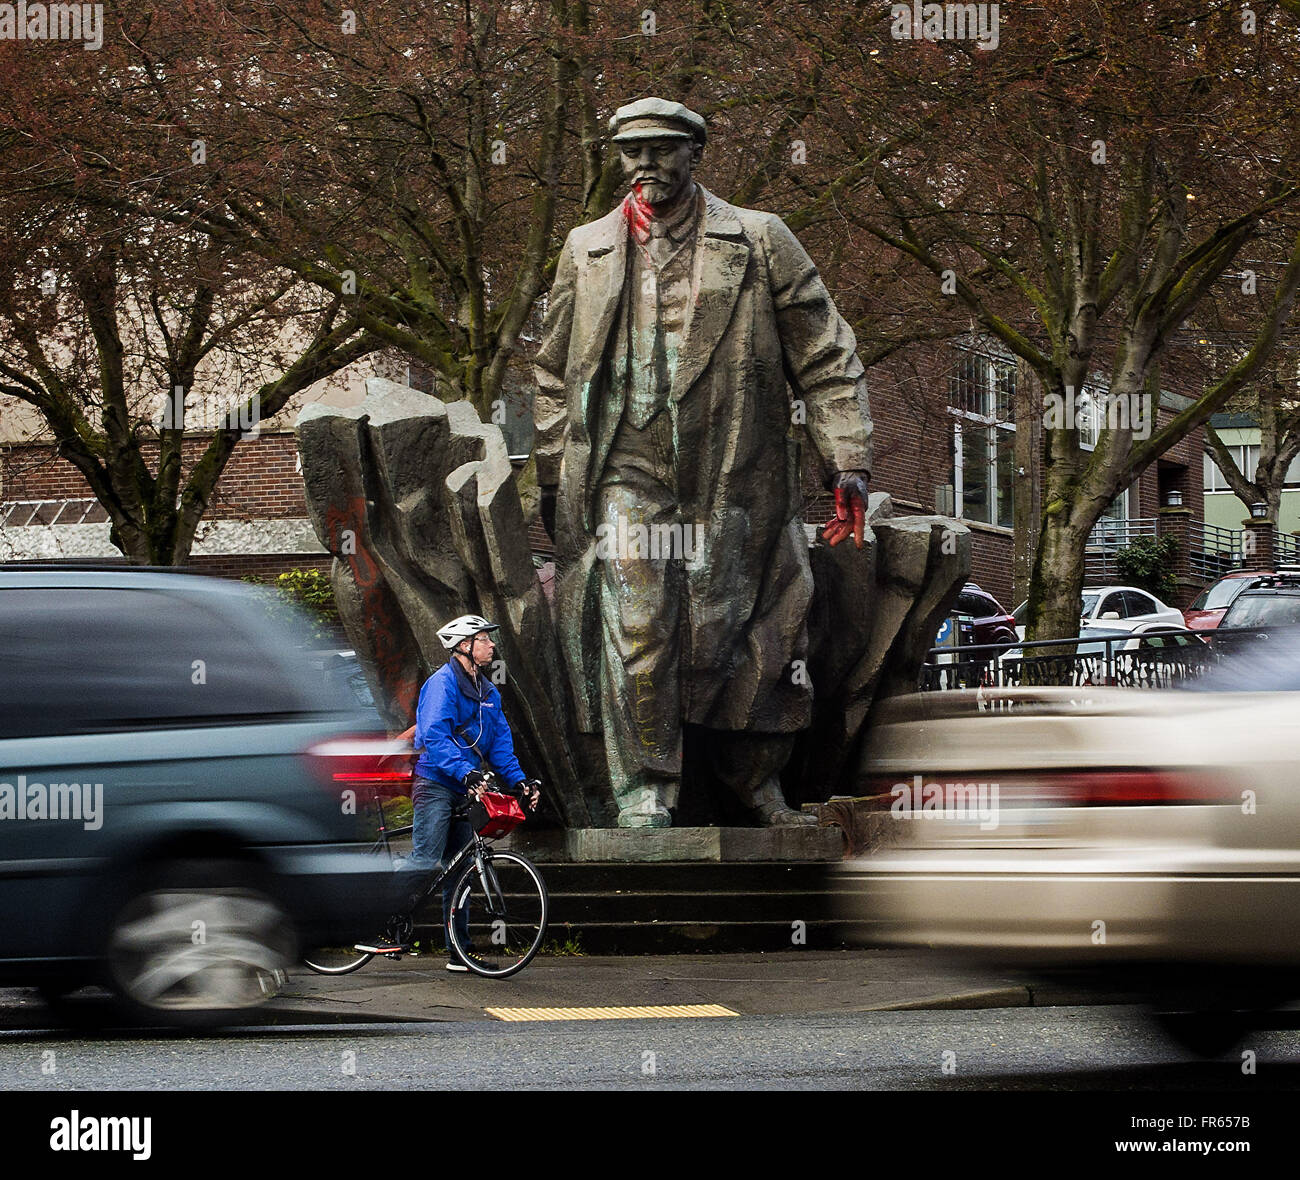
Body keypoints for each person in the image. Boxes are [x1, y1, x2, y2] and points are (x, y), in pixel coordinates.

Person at [533, 96, 872, 828]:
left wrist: (847, 457)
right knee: (640, 621)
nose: (646, 165)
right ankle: (645, 791)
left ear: (696, 153)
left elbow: (825, 353)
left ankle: (756, 780)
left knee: (752, 625)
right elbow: (555, 370)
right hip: (627, 466)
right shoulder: (586, 248)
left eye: (661, 149)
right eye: (632, 152)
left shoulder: (758, 239)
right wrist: (557, 469)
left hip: (734, 469)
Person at [360, 613, 539, 972]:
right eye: (485, 639)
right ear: (464, 646)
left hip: (466, 787)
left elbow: (501, 747)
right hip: (436, 783)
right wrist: (466, 771)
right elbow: (434, 738)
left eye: (489, 639)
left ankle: (458, 951)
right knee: (427, 857)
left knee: (460, 871)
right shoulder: (442, 685)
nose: (491, 644)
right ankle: (380, 928)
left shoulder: (488, 693)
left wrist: (520, 781)